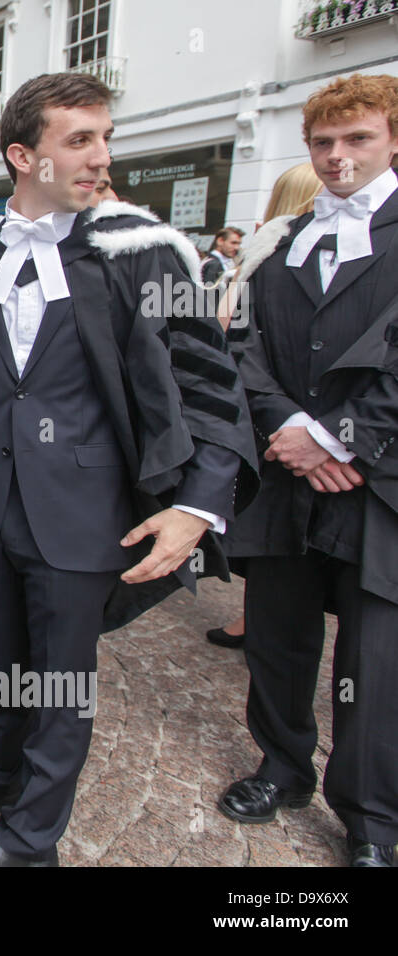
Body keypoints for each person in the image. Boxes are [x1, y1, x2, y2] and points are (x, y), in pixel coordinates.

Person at [0, 72, 258, 867]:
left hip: (86, 513)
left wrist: (197, 507)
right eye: (80, 140)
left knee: (60, 683)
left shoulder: (148, 250)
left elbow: (212, 388)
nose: (102, 156)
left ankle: (30, 841)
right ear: (23, 156)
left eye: (105, 137)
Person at [219, 73, 398, 868]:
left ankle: (373, 817)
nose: (336, 156)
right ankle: (283, 767)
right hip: (287, 478)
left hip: (379, 486)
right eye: (323, 142)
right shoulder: (284, 240)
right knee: (279, 643)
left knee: (376, 661)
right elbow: (243, 349)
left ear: (392, 140)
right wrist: (289, 427)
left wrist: (343, 439)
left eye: (357, 138)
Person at [207, 162, 322, 650]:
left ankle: (263, 621)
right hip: (277, 415)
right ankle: (261, 619)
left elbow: (229, 321)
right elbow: (237, 329)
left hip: (288, 418)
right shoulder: (275, 248)